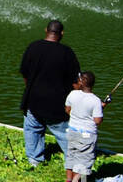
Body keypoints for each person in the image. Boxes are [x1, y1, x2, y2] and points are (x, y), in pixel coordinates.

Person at [19, 19, 80, 166]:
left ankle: (34, 160)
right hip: (57, 105)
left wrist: (31, 90)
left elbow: (24, 73)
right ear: (62, 34)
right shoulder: (67, 53)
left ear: (46, 30)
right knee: (65, 135)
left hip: (33, 101)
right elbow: (76, 82)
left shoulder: (33, 47)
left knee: (33, 129)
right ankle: (76, 165)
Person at [64, 71, 103, 182]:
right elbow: (97, 120)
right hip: (87, 135)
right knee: (85, 159)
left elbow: (68, 110)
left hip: (72, 131)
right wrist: (101, 107)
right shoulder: (95, 100)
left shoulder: (72, 94)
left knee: (71, 156)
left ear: (81, 82)